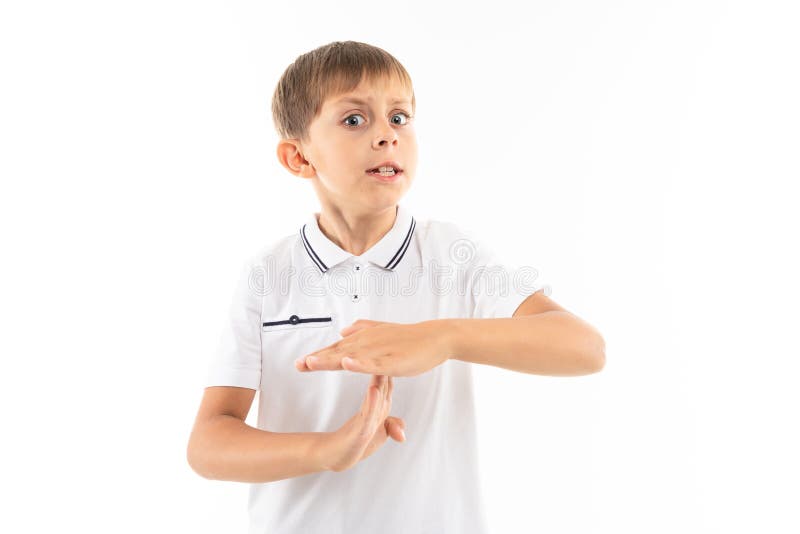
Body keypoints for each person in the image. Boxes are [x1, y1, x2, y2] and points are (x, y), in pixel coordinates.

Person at [186, 40, 605, 533]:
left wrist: (442, 338)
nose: (387, 136)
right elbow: (209, 444)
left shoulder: (452, 254)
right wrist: (327, 450)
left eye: (400, 118)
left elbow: (584, 349)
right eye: (355, 120)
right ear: (298, 157)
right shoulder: (268, 272)